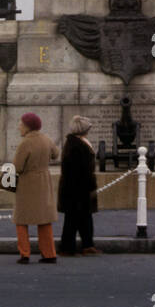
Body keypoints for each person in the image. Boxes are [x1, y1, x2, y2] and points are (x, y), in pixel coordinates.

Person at [12, 112, 59, 264]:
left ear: (27, 126)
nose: (19, 127)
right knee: (44, 219)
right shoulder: (46, 139)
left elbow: (18, 166)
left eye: (21, 124)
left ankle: (24, 253)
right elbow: (56, 154)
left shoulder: (25, 142)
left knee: (21, 218)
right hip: (44, 181)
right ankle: (49, 253)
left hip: (27, 183)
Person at [58, 116, 99, 256]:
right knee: (72, 219)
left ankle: (87, 244)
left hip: (78, 188)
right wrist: (88, 186)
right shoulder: (76, 146)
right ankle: (67, 247)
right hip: (76, 189)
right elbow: (77, 170)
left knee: (84, 218)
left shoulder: (76, 143)